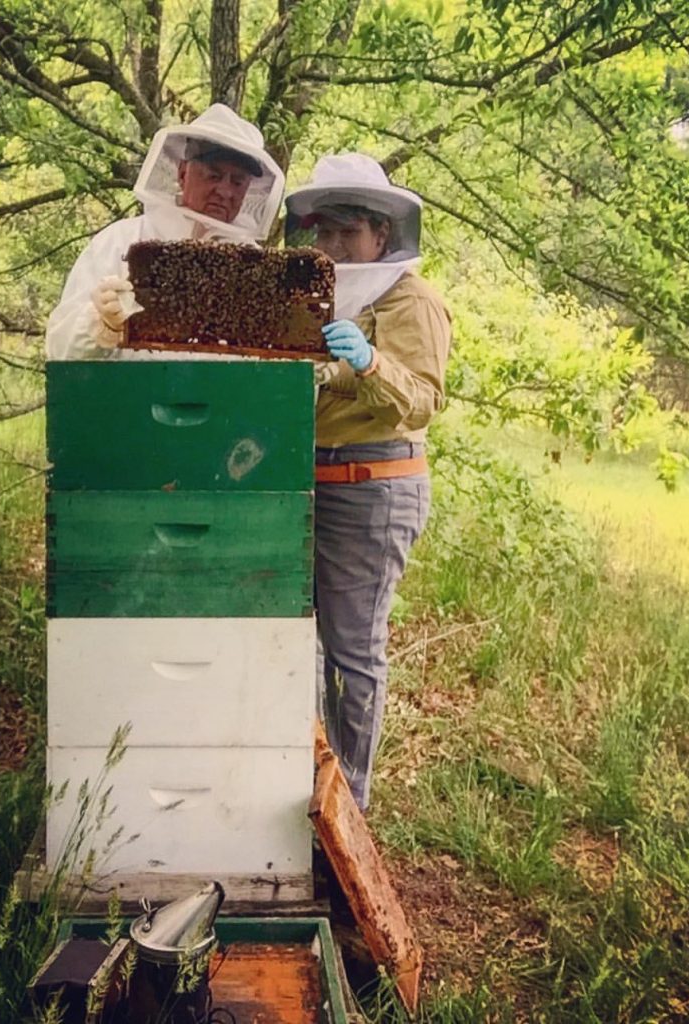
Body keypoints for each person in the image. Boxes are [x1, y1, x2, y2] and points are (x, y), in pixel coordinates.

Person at [285, 153, 452, 812]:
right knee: (298, 642)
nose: (333, 245)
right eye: (324, 230)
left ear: (381, 233)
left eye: (348, 231)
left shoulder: (412, 299)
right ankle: (303, 785)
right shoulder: (313, 294)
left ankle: (347, 808)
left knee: (352, 650)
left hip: (372, 485)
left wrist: (370, 362)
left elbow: (422, 400)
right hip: (308, 482)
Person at [46, 103, 284, 360]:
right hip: (128, 386)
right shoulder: (120, 241)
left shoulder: (255, 266)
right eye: (213, 176)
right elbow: (60, 351)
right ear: (183, 174)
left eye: (237, 182)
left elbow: (273, 367)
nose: (225, 191)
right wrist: (99, 324)